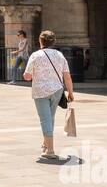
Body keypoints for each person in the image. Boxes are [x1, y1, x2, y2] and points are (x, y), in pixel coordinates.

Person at [23, 31, 74, 161]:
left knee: (45, 119)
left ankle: (50, 150)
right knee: (50, 118)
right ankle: (46, 145)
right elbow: (66, 75)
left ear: (41, 41)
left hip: (40, 91)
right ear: (53, 42)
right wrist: (70, 92)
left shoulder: (35, 55)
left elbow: (27, 76)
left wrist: (32, 75)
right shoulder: (59, 55)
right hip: (57, 90)